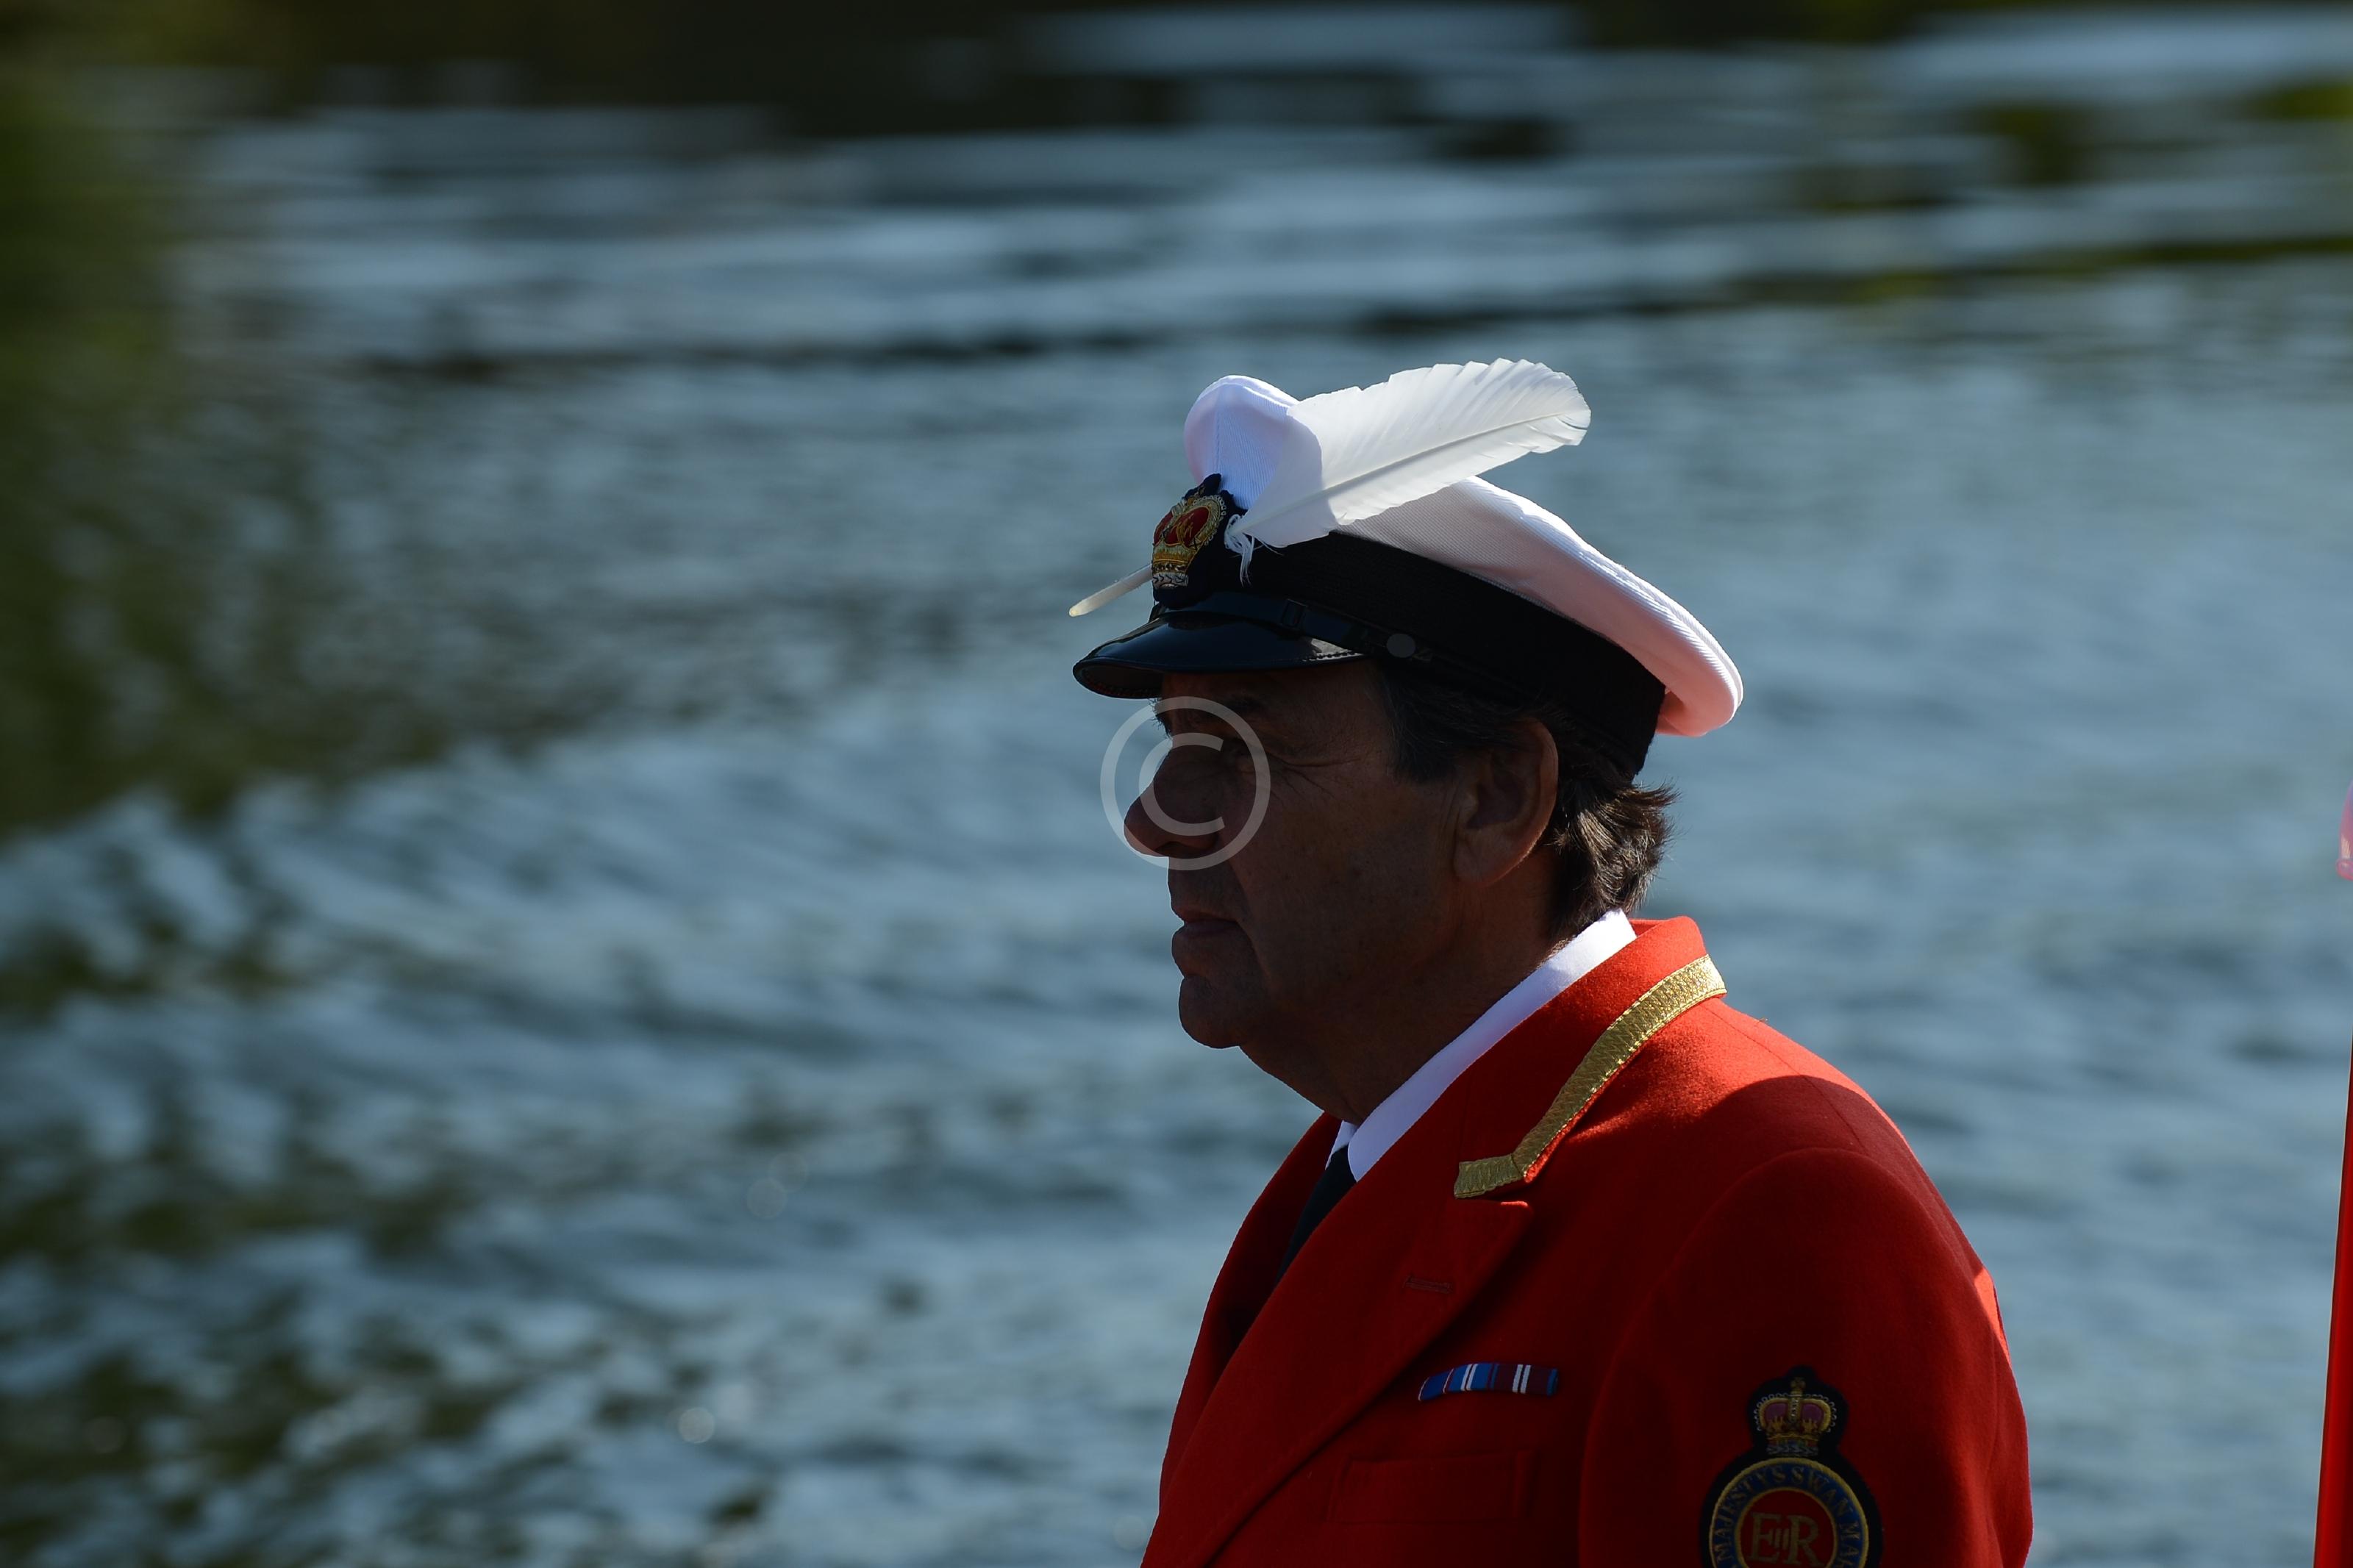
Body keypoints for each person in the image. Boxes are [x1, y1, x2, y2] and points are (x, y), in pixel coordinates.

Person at [1067, 361, 2032, 1567]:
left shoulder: (1775, 1216)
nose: (1159, 816)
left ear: (1497, 795)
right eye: (1173, 740)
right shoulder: (1361, 1166)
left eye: (1247, 748)